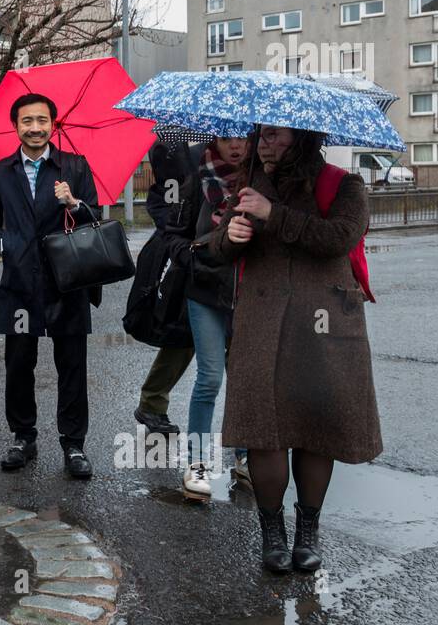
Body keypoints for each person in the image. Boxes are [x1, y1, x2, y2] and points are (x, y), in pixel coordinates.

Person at [211, 124, 380, 572]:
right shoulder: (247, 185)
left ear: (302, 138)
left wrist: (273, 213)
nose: (263, 143)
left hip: (323, 325)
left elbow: (339, 238)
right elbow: (215, 246)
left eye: (275, 136)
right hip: (260, 324)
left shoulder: (343, 184)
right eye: (260, 136)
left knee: (314, 429)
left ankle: (308, 531)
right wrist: (229, 239)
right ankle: (272, 534)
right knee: (264, 431)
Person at [0, 93, 98, 479]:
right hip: (19, 283)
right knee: (18, 364)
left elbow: (95, 218)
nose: (35, 128)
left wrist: (74, 203)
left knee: (72, 366)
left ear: (53, 123)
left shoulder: (74, 168)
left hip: (68, 282)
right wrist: (4, 242)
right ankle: (23, 437)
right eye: (27, 121)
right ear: (16, 126)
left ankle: (74, 444)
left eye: (42, 120)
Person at [165, 136, 247, 500]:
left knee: (245, 380)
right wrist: (191, 255)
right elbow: (173, 232)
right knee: (210, 378)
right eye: (228, 139)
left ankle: (246, 458)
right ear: (216, 139)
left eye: (244, 139)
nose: (236, 147)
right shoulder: (197, 178)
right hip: (206, 291)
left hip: (249, 293)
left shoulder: (261, 183)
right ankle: (197, 463)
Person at [132, 139, 201, 439]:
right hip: (186, 259)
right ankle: (152, 402)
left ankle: (152, 401)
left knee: (189, 334)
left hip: (208, 259)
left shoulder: (230, 152)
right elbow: (166, 210)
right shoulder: (180, 156)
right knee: (184, 332)